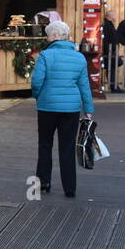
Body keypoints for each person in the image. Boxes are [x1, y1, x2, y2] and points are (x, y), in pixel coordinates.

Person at [31, 20, 94, 198]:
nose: (47, 37)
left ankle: (43, 182)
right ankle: (70, 187)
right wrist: (88, 109)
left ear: (56, 36)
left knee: (45, 144)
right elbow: (84, 86)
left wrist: (38, 96)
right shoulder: (79, 57)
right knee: (67, 147)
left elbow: (37, 82)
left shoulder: (45, 55)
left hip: (47, 107)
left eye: (48, 34)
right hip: (71, 109)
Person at [101, 13, 120, 92]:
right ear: (110, 17)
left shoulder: (109, 24)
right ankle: (114, 87)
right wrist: (108, 50)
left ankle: (114, 86)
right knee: (111, 69)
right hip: (109, 51)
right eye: (114, 16)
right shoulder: (106, 25)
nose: (115, 17)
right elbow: (106, 39)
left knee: (112, 68)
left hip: (111, 50)